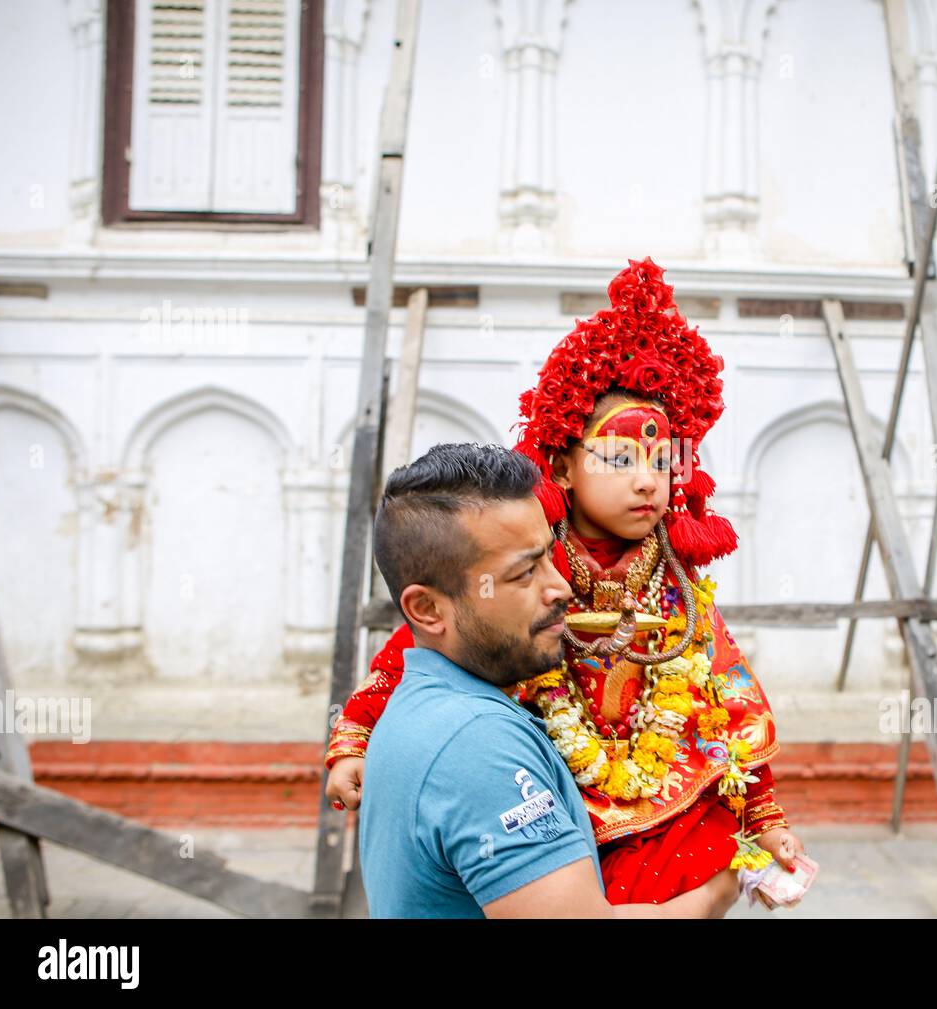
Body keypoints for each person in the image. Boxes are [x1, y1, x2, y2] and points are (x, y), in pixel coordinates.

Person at [332, 257, 805, 906]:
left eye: (663, 461)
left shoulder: (674, 585)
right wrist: (353, 737)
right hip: (553, 800)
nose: (648, 480)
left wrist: (765, 816)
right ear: (561, 466)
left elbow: (730, 692)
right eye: (620, 458)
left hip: (670, 797)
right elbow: (413, 647)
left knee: (713, 840)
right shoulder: (522, 558)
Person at [358, 441, 739, 918]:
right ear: (428, 609)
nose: (559, 586)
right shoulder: (476, 744)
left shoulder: (426, 702)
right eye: (523, 574)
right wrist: (714, 895)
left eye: (549, 558)